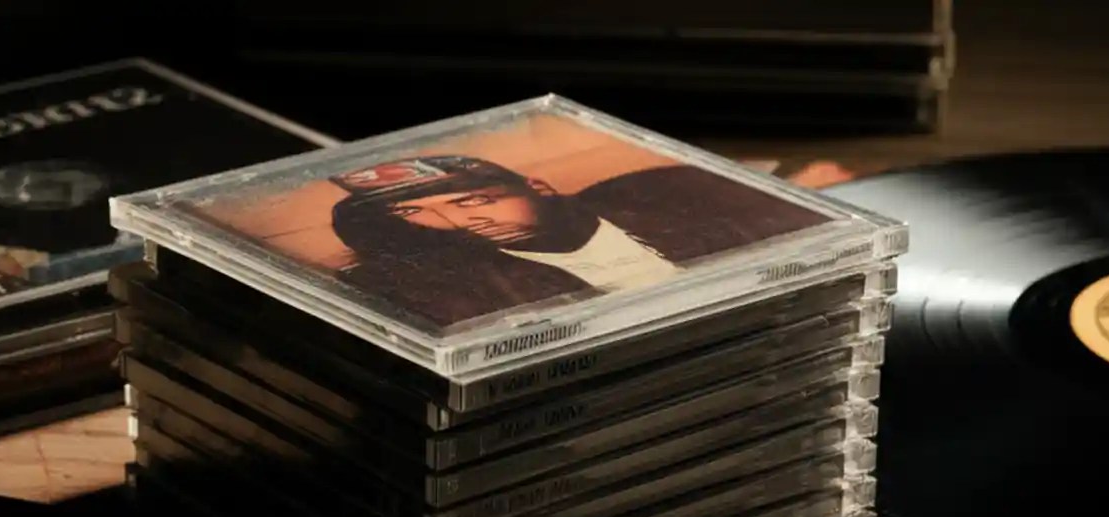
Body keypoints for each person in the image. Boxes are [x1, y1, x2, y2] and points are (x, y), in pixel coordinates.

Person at [326, 155, 830, 327]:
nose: (449, 222)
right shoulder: (463, 286)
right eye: (414, 212)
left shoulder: (662, 194)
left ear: (539, 189)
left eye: (473, 201)